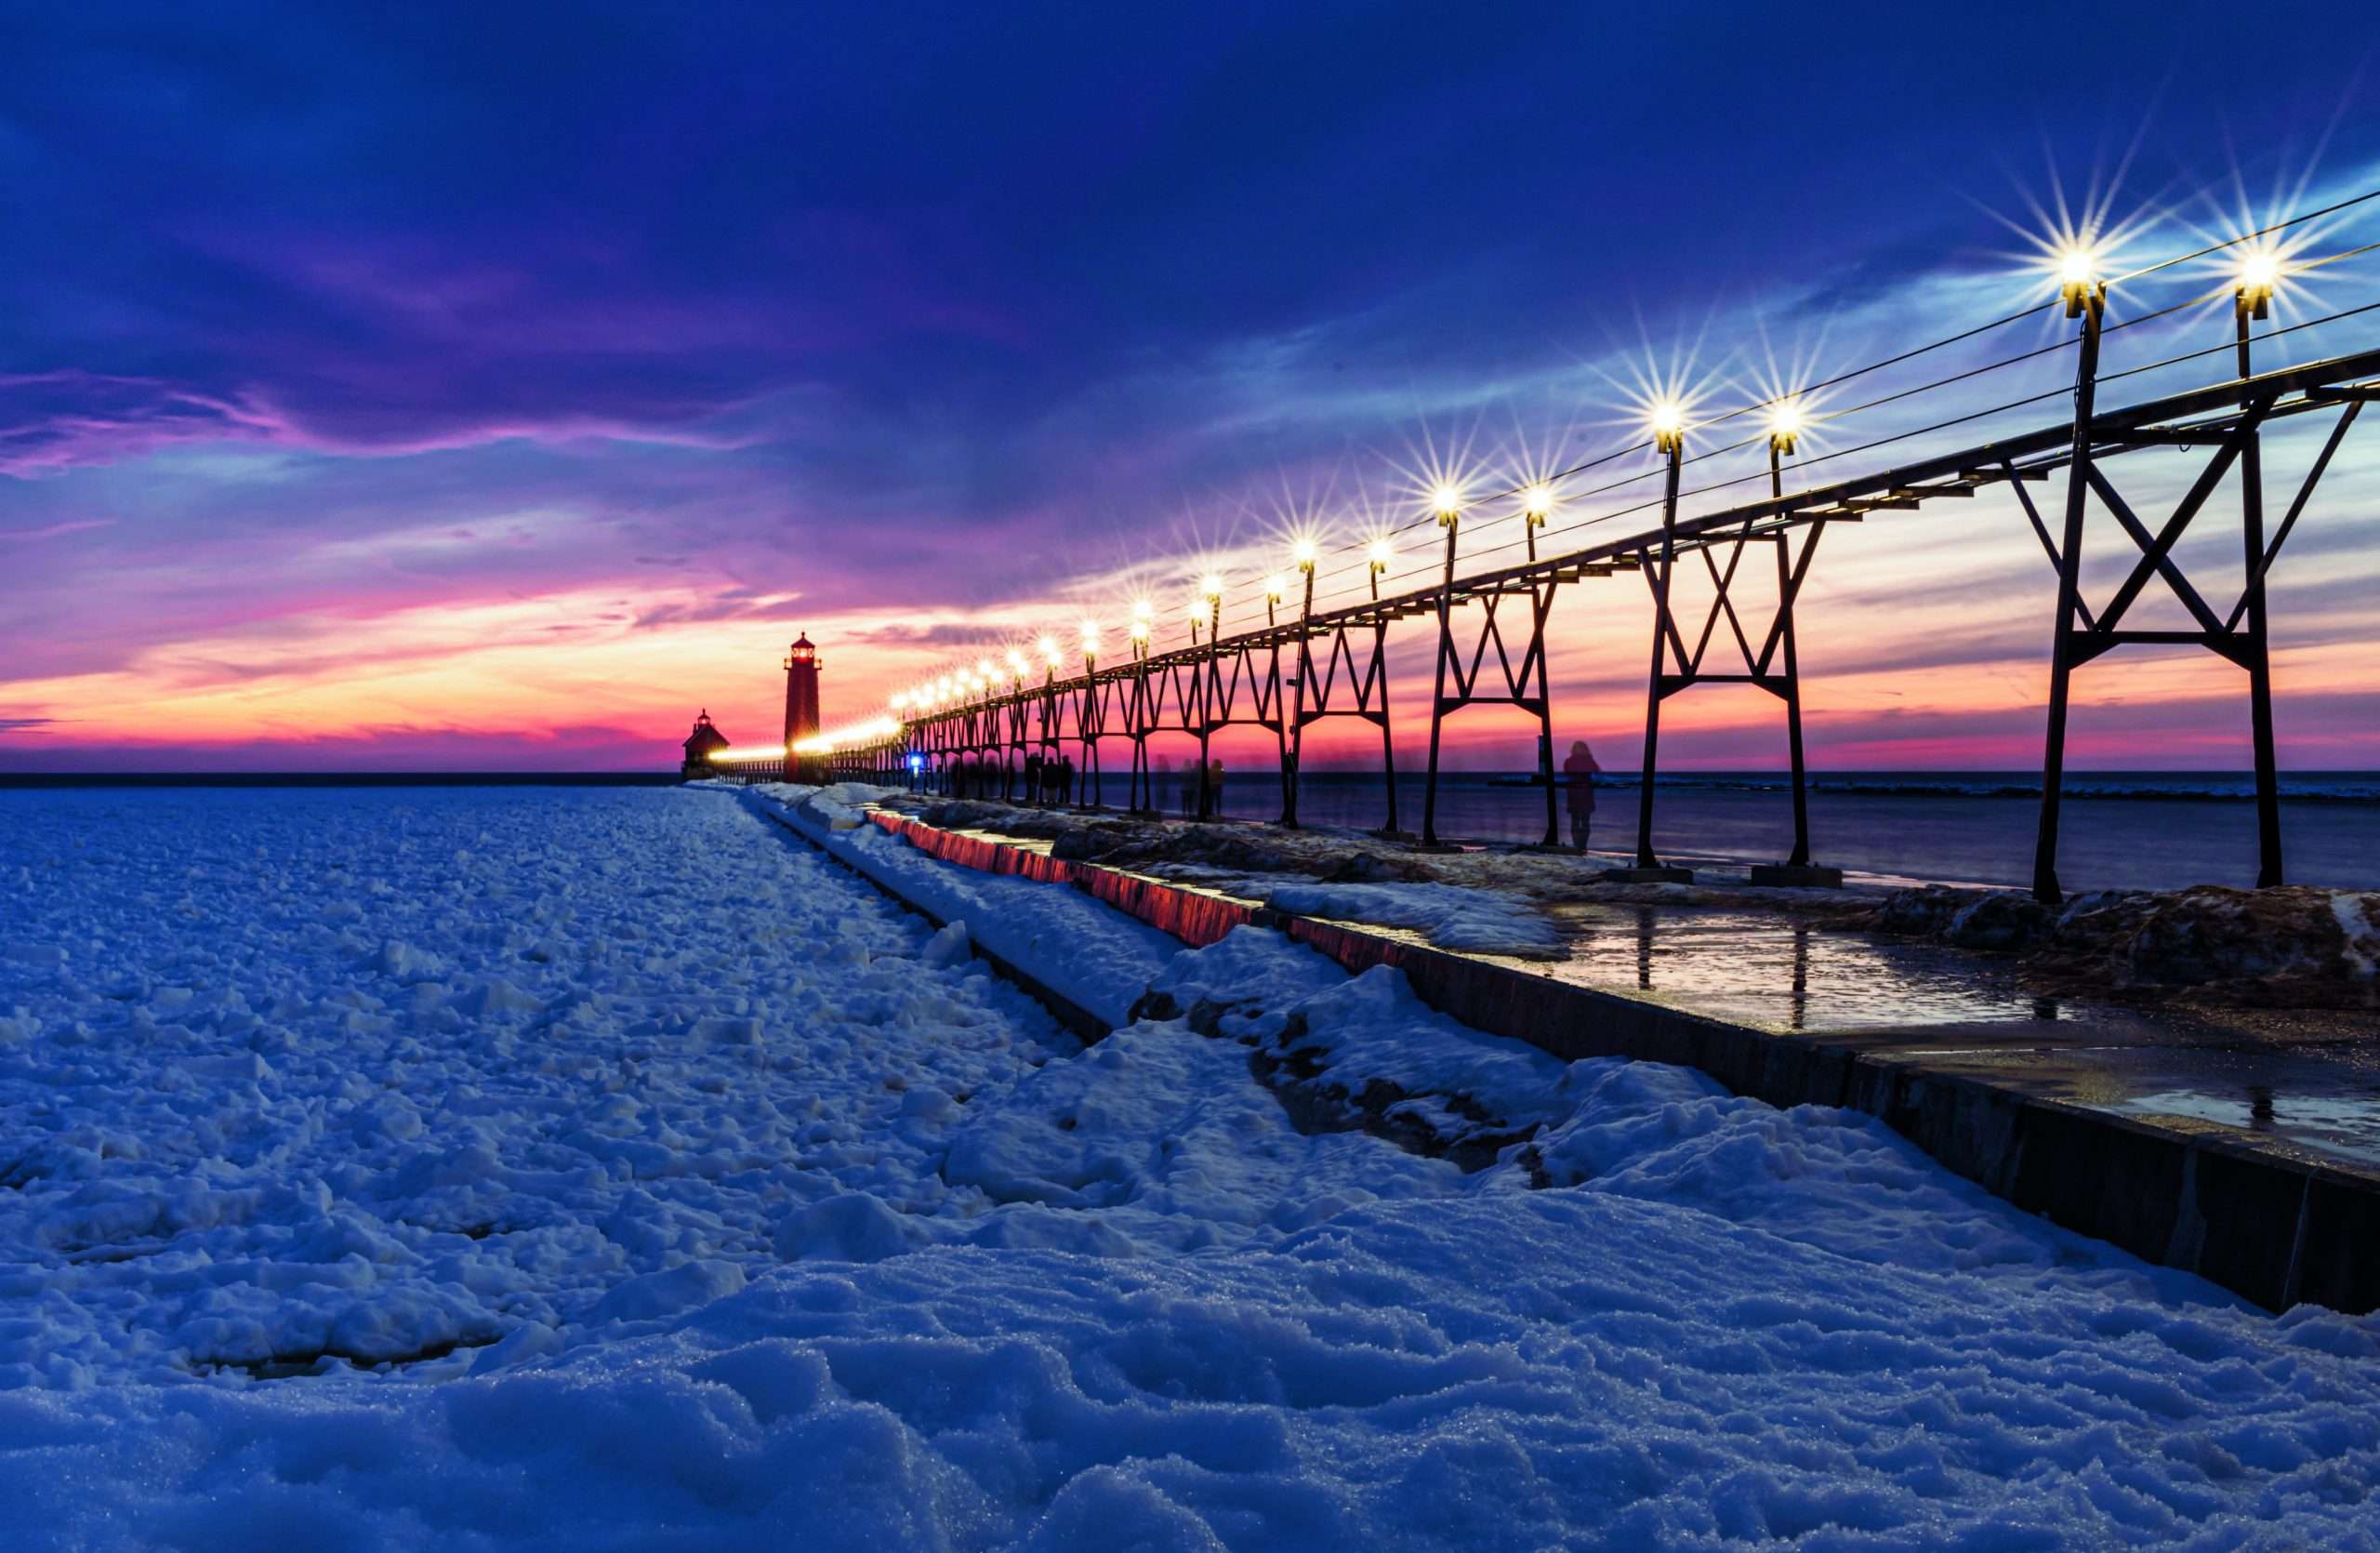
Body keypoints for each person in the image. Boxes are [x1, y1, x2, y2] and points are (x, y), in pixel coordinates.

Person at [1563, 738, 1602, 852]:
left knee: (1575, 821)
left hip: (1574, 792)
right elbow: (1597, 771)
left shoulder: (1569, 761)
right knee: (1585, 821)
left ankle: (1576, 845)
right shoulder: (1589, 760)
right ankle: (1583, 845)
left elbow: (1566, 772)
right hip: (1586, 792)